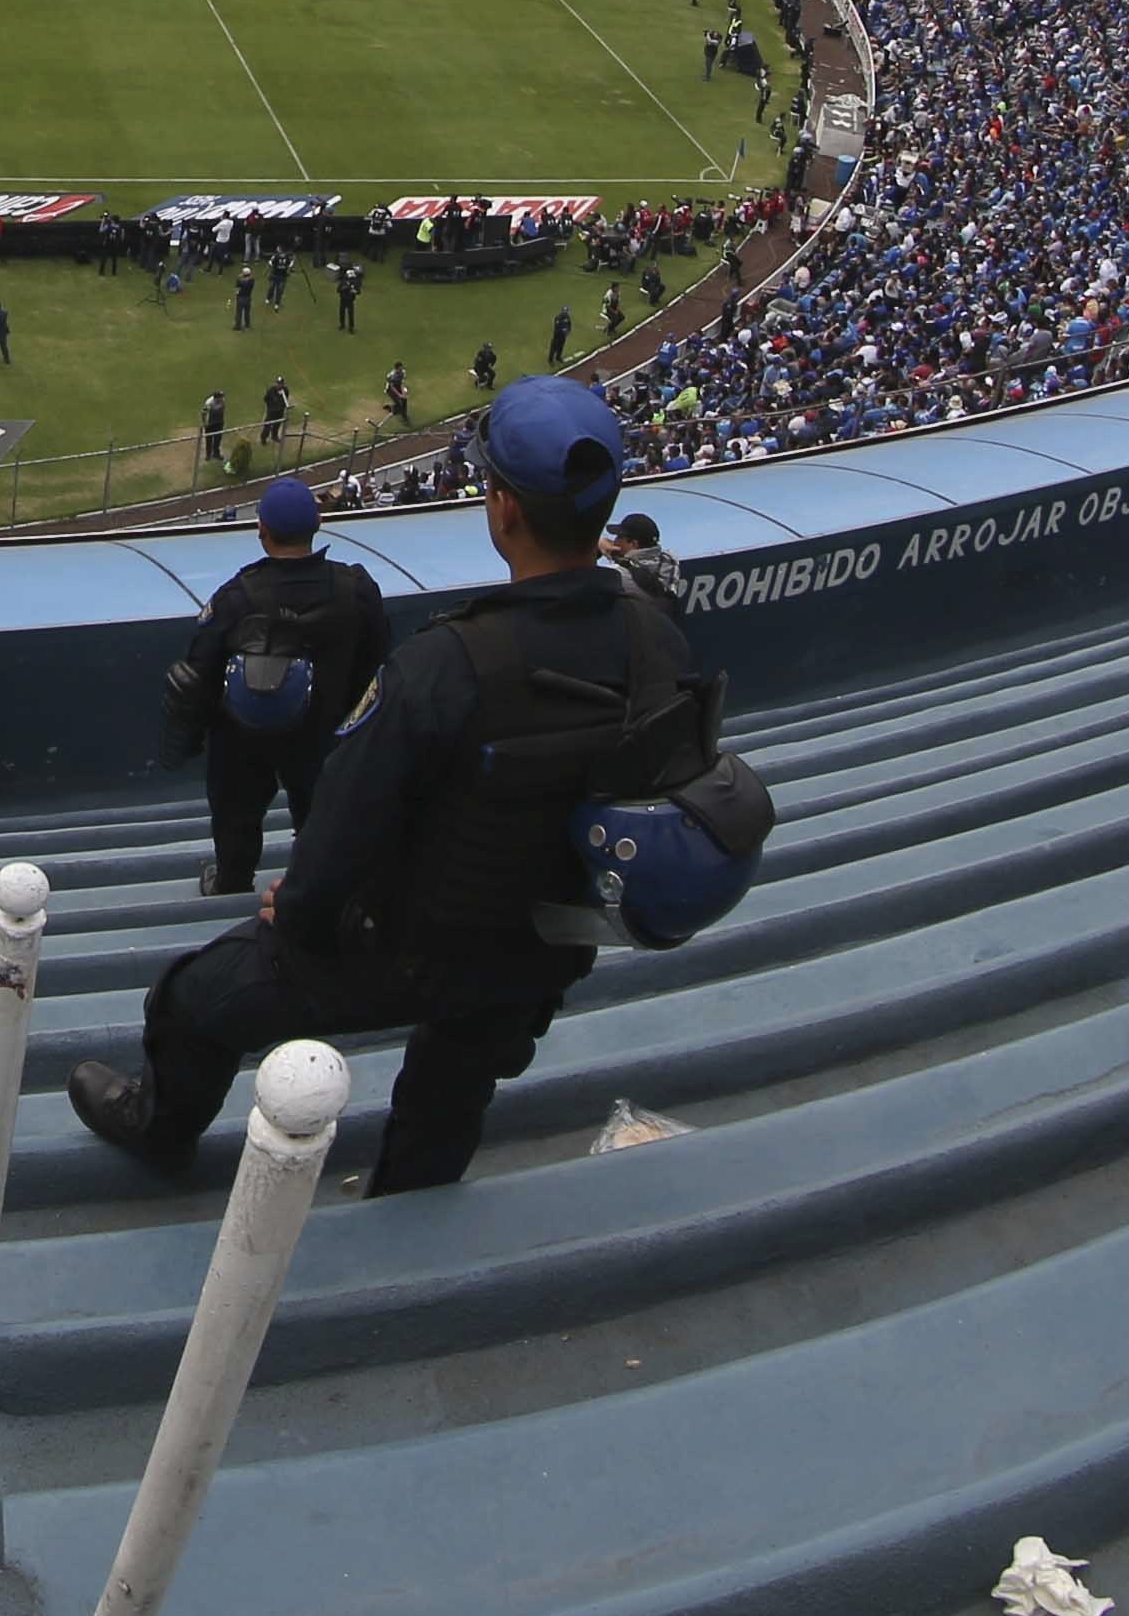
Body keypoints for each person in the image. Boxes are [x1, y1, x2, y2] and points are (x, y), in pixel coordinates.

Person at [72, 382, 715, 1191]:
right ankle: (413, 1193)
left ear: (505, 510)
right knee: (453, 1088)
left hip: (405, 944)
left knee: (191, 996)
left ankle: (158, 1130)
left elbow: (344, 827)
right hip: (540, 950)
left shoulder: (446, 664)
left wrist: (297, 908)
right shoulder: (659, 638)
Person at [165, 475, 389, 892]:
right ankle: (310, 887)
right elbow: (377, 661)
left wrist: (190, 737)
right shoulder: (356, 588)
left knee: (236, 813)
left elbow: (198, 672)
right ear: (317, 523)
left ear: (261, 530)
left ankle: (231, 883)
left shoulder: (234, 597)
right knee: (320, 816)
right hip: (326, 735)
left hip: (243, 741)